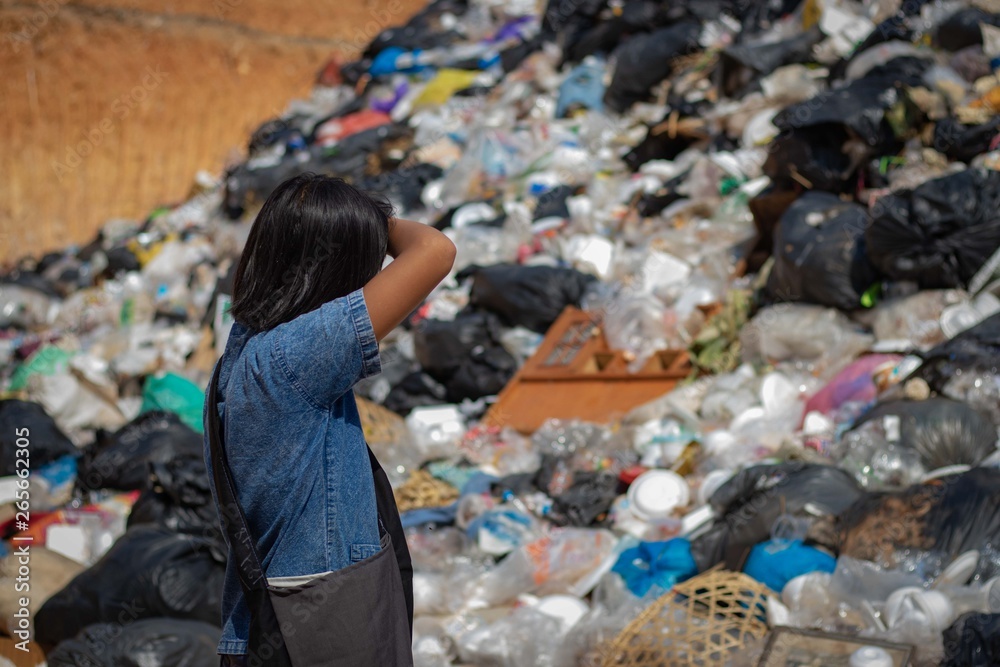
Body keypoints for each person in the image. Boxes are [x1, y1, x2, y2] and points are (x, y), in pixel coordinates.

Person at [204, 172, 456, 665]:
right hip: (322, 618)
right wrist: (378, 222)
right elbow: (435, 252)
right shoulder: (294, 356)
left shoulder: (248, 343)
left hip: (276, 614)